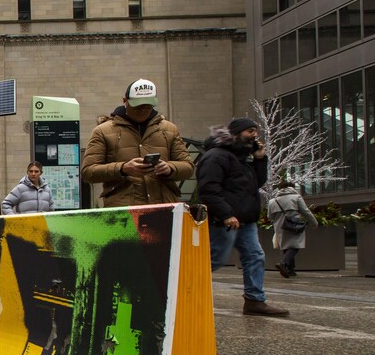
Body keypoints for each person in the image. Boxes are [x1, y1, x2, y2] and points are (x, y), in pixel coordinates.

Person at [197, 117, 289, 316]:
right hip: (225, 221)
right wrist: (225, 214)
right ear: (235, 134)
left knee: (255, 257)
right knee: (214, 260)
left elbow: (255, 184)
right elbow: (208, 189)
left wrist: (260, 159)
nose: (254, 135)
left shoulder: (241, 158)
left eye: (255, 130)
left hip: (244, 220)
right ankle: (177, 291)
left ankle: (254, 301)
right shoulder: (217, 156)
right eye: (250, 131)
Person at [81, 78, 194, 207]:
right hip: (124, 210)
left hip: (165, 207)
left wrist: (170, 168)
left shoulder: (169, 129)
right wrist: (123, 168)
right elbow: (88, 172)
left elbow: (188, 167)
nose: (143, 111)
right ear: (124, 101)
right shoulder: (102, 131)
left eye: (148, 106)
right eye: (138, 107)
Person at [267, 180, 318, 278]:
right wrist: (314, 222)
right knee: (295, 245)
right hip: (294, 224)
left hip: (279, 226)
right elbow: (305, 211)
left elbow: (270, 217)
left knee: (286, 245)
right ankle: (284, 263)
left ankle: (290, 269)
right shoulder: (296, 197)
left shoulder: (272, 201)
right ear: (292, 187)